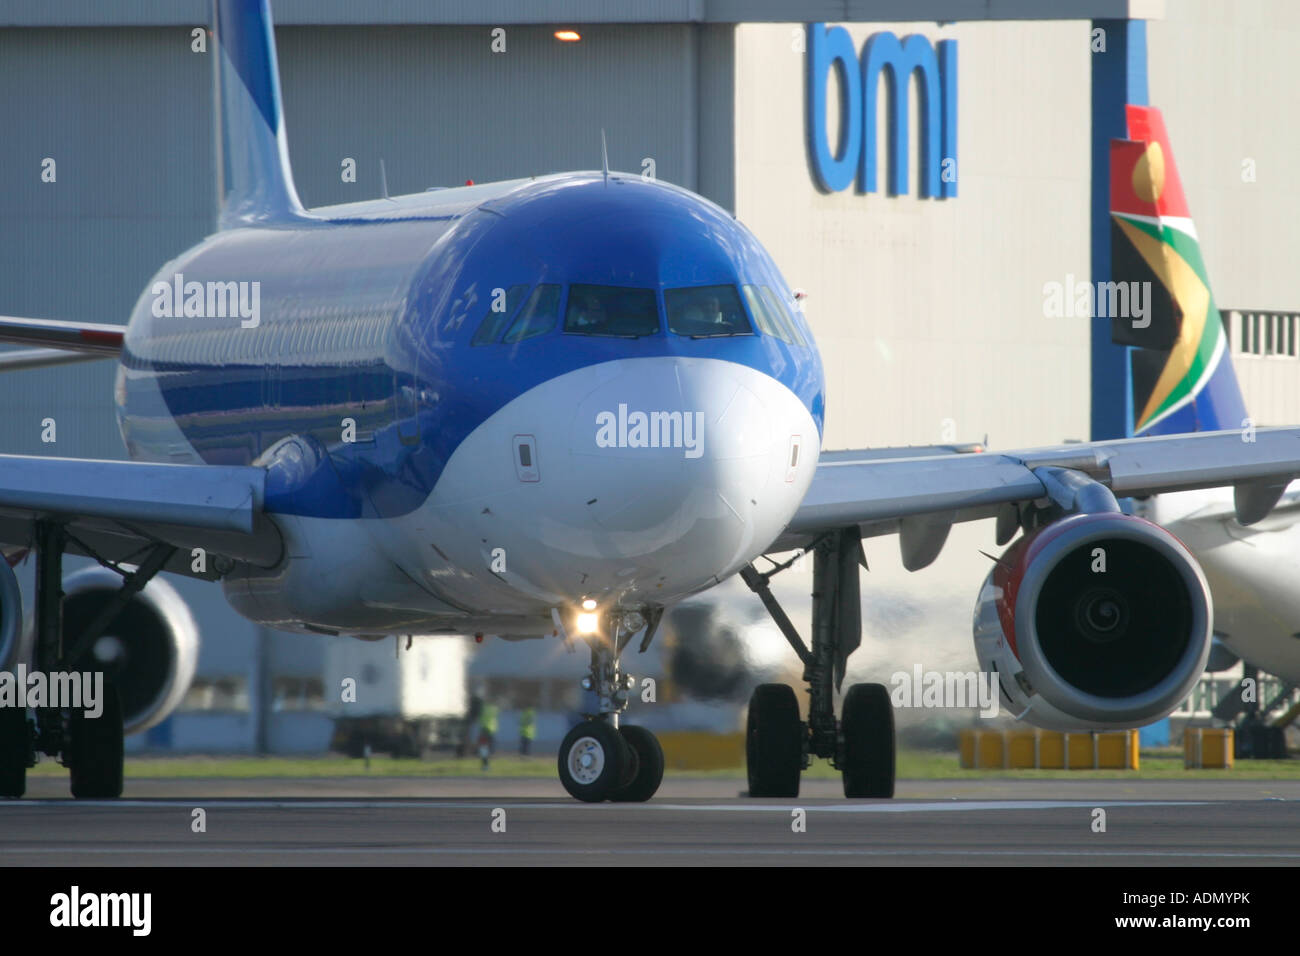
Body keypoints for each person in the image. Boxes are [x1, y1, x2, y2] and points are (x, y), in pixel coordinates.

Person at [477, 699, 498, 771]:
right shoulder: (494, 709)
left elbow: (480, 718)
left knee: (484, 748)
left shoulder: (483, 709)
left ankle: (485, 765)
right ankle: (486, 764)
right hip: (490, 730)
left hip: (484, 730)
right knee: (489, 749)